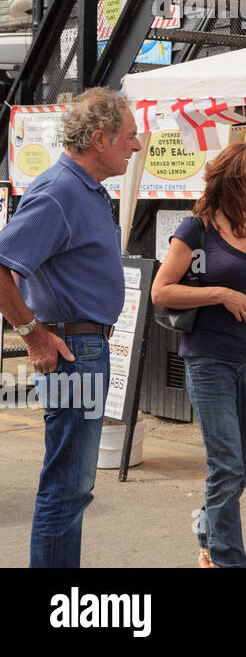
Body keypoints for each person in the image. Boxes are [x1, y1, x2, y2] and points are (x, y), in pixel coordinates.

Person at [0, 88, 142, 568]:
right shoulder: (61, 190)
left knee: (74, 484)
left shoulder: (82, 189)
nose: (137, 145)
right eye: (129, 136)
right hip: (73, 351)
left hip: (83, 347)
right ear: (99, 139)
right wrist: (33, 333)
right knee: (69, 485)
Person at [152, 142, 246, 568]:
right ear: (235, 181)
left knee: (245, 463)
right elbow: (161, 290)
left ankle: (207, 531)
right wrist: (220, 293)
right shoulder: (197, 230)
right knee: (227, 463)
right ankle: (227, 558)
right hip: (209, 359)